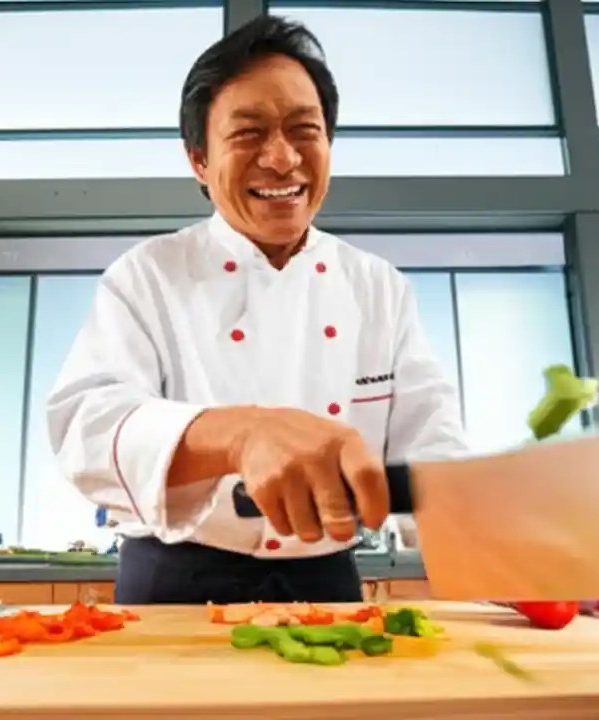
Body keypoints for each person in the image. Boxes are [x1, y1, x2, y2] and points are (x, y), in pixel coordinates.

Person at [46, 15, 467, 605]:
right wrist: (240, 435)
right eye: (249, 134)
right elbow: (88, 428)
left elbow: (433, 446)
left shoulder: (378, 286)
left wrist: (510, 543)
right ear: (199, 159)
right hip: (174, 581)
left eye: (304, 130)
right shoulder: (147, 274)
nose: (282, 158)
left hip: (327, 582)